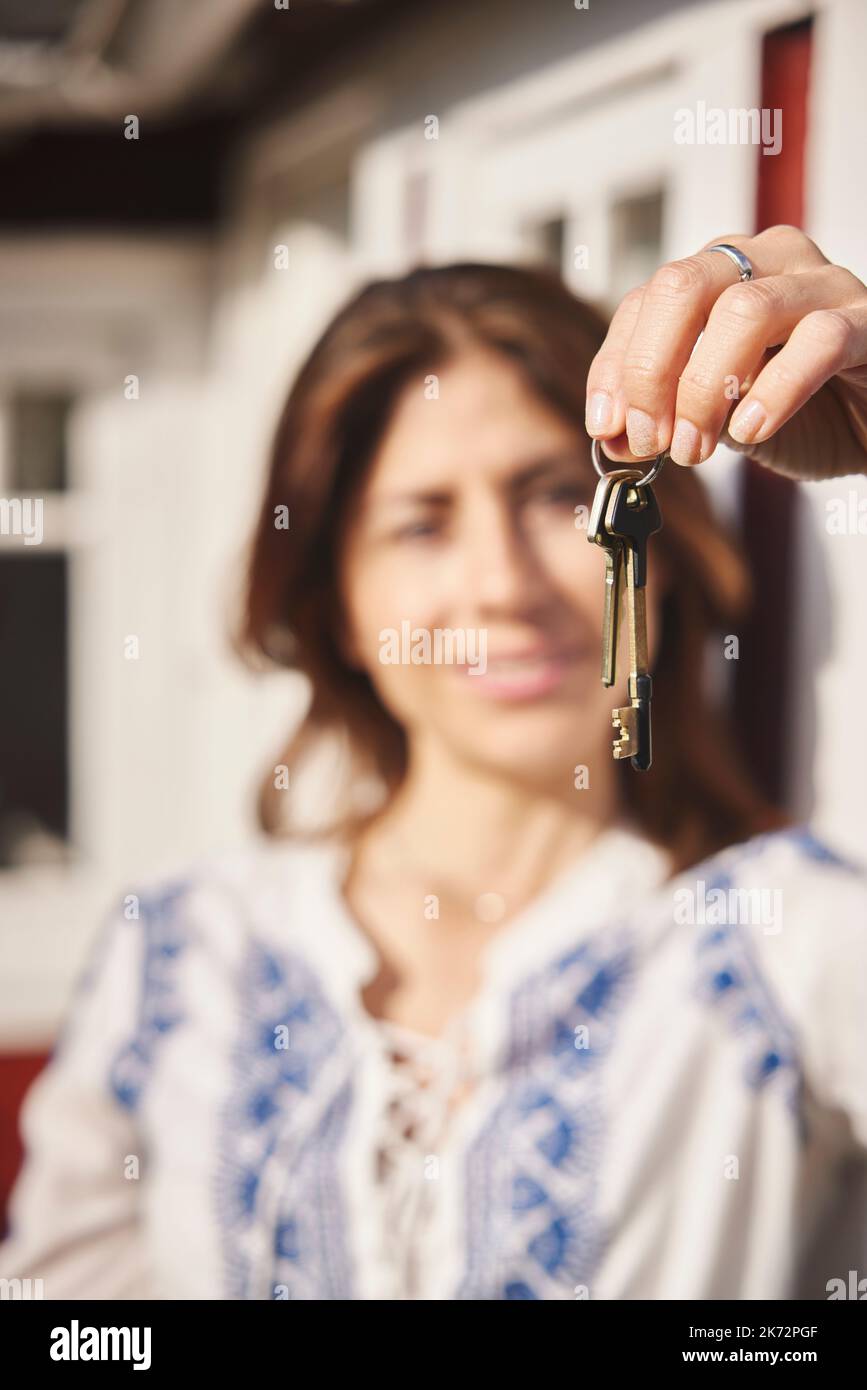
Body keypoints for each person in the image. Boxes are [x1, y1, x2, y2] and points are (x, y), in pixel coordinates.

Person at [2, 226, 867, 1300]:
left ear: (654, 543)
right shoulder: (180, 958)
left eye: (558, 493)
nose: (500, 585)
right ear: (337, 603)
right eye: (422, 523)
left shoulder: (796, 945)